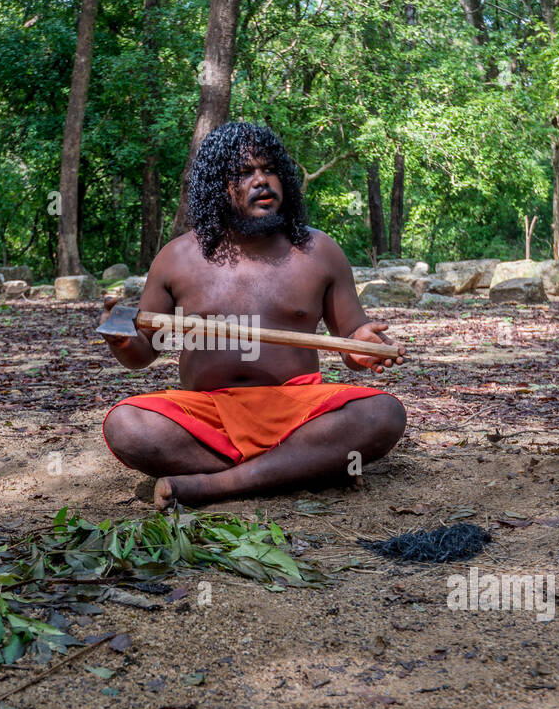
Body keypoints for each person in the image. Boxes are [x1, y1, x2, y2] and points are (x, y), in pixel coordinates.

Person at [101, 121, 407, 509]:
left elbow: (351, 335)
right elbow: (143, 352)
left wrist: (361, 345)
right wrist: (123, 338)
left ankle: (213, 486)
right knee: (126, 425)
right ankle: (302, 466)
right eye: (244, 173)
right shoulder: (177, 258)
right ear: (218, 185)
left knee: (382, 413)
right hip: (210, 414)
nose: (262, 181)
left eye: (270, 169)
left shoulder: (320, 251)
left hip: (299, 410)